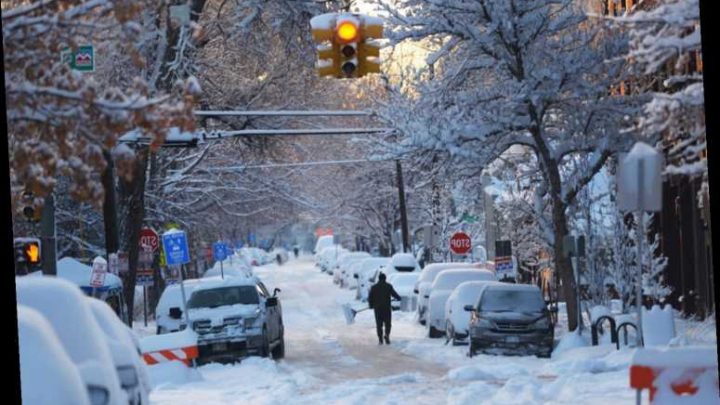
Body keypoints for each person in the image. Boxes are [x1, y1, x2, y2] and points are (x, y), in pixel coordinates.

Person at [368, 272, 401, 345]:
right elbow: (394, 294)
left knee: (379, 324)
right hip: (386, 308)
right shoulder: (388, 286)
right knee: (388, 323)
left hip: (377, 309)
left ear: (379, 279)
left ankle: (380, 339)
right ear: (385, 279)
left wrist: (371, 305)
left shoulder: (374, 287)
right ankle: (387, 335)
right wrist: (399, 298)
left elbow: (370, 297)